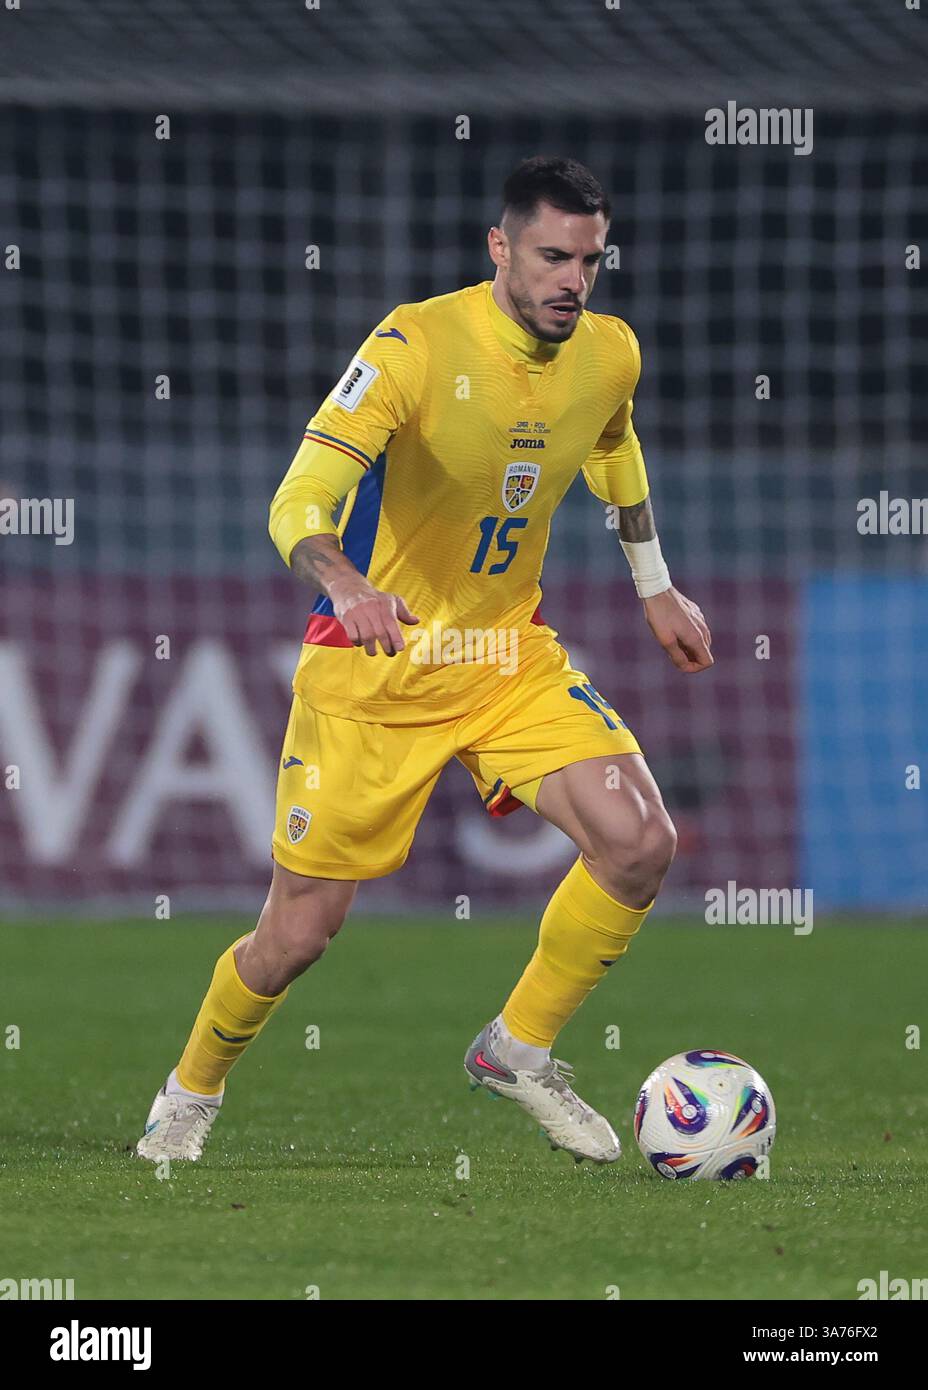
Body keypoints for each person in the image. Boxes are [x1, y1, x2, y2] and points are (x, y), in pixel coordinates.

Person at [137, 155, 712, 1166]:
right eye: (549, 256)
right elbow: (298, 498)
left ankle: (517, 1047)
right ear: (500, 247)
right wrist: (344, 581)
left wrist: (653, 581)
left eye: (589, 258)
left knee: (637, 839)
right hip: (379, 671)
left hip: (505, 655)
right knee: (296, 937)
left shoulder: (607, 354)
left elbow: (611, 444)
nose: (571, 278)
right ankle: (191, 1088)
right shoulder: (413, 342)